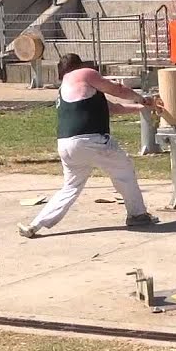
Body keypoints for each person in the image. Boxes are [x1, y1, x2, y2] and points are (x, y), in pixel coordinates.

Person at [17, 54, 159, 238]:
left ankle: (35, 225)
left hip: (66, 144)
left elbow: (113, 108)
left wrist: (142, 108)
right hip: (91, 140)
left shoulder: (66, 89)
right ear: (78, 65)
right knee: (124, 170)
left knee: (70, 187)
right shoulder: (84, 74)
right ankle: (138, 215)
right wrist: (141, 99)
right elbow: (117, 89)